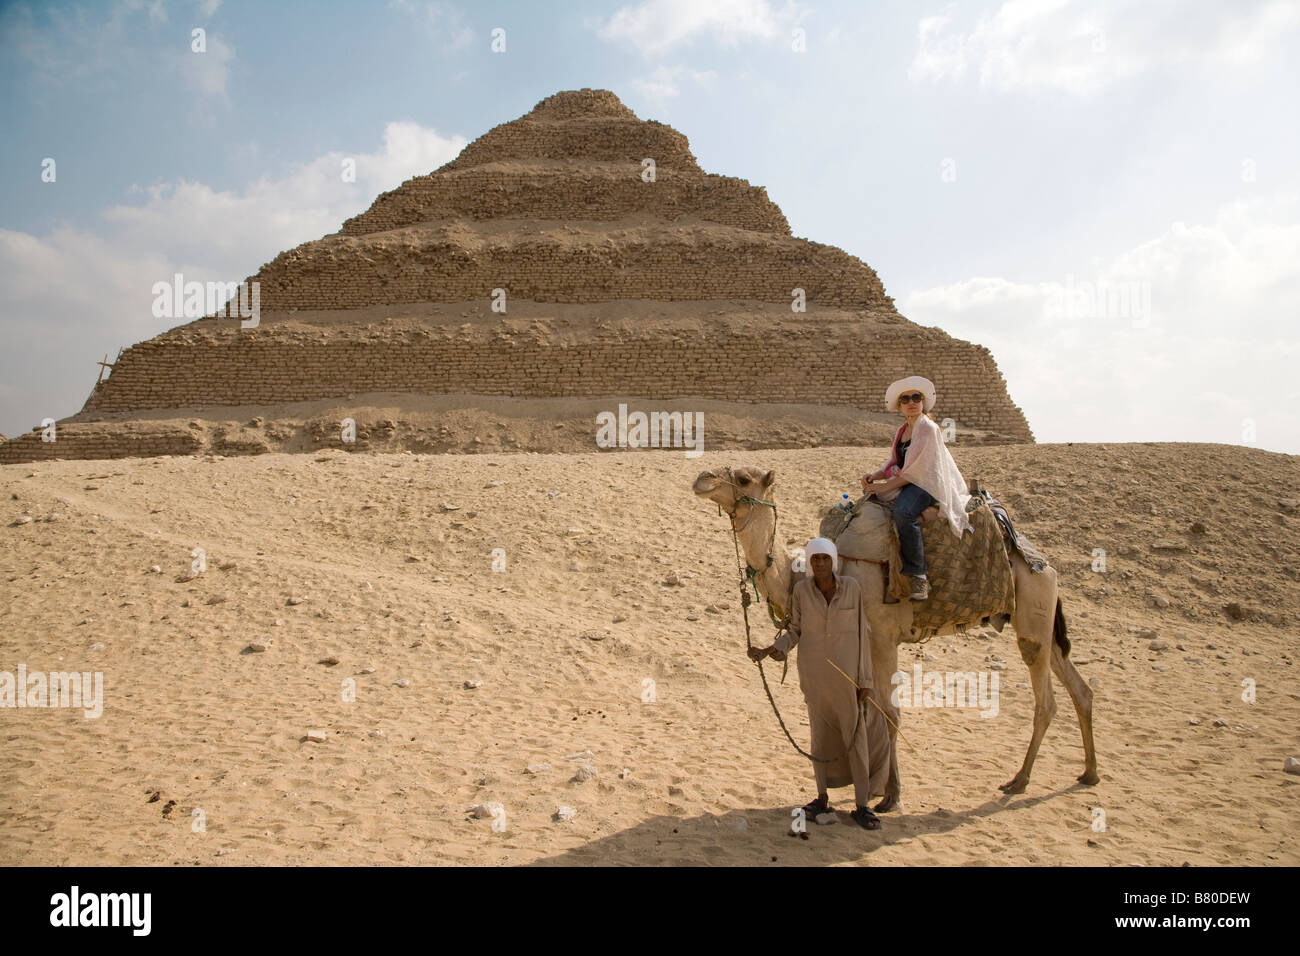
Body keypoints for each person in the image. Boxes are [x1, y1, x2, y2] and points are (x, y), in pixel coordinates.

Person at [747, 537, 881, 830]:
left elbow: (862, 634)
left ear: (833, 561)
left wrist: (866, 678)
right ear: (810, 562)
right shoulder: (802, 591)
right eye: (815, 559)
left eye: (825, 558)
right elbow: (795, 630)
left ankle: (862, 804)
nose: (820, 564)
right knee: (820, 737)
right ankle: (821, 797)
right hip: (814, 677)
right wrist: (771, 650)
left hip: (848, 679)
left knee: (855, 736)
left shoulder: (852, 590)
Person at [860, 375, 973, 601]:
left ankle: (919, 575)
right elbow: (896, 462)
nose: (911, 402)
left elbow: (917, 471)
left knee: (903, 512)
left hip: (926, 482)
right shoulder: (903, 430)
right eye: (905, 399)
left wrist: (886, 487)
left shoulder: (928, 429)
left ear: (922, 402)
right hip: (909, 478)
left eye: (916, 397)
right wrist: (876, 476)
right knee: (868, 504)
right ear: (900, 405)